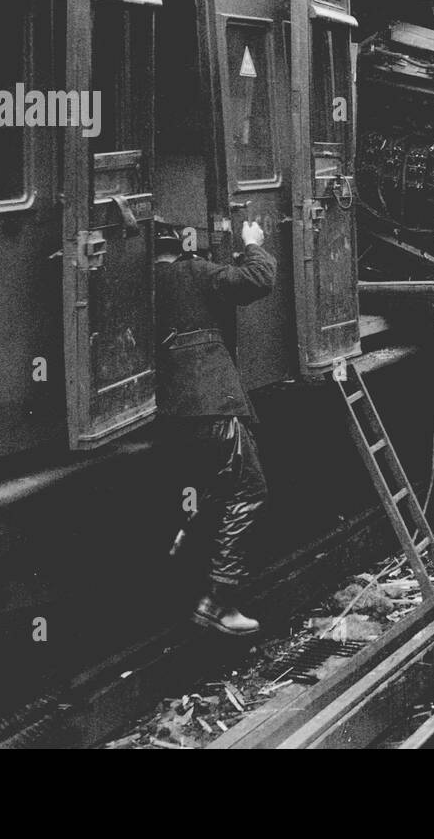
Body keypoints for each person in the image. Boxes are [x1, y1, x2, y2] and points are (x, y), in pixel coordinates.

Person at [155, 217, 276, 634]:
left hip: (174, 411)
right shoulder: (192, 271)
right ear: (181, 246)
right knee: (247, 491)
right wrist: (252, 242)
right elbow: (258, 280)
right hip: (212, 404)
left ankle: (180, 553)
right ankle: (218, 601)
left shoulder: (146, 282)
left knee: (211, 490)